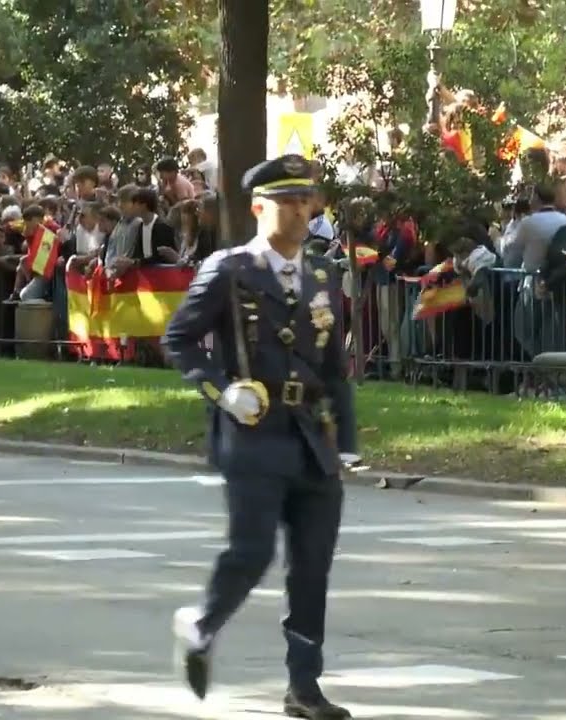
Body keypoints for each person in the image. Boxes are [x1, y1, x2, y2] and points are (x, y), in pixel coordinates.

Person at [162, 154, 358, 720]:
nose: (300, 211)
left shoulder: (322, 274)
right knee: (252, 552)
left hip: (310, 435)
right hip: (252, 431)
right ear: (258, 208)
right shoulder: (229, 270)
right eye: (287, 202)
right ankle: (202, 625)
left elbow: (334, 365)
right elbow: (179, 340)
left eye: (305, 201)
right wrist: (222, 390)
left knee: (312, 566)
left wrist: (347, 438)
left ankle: (304, 686)